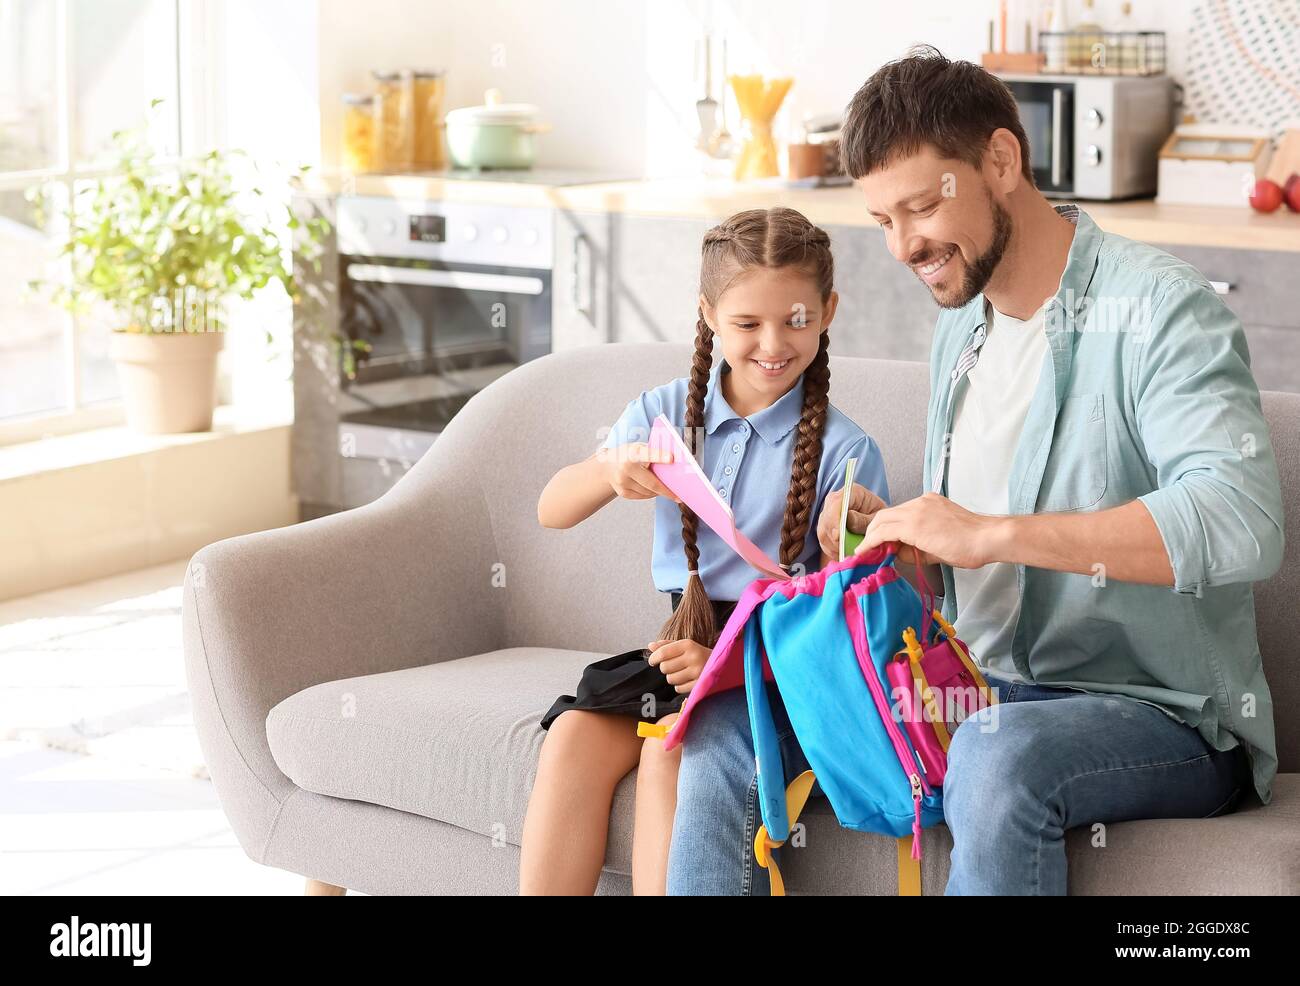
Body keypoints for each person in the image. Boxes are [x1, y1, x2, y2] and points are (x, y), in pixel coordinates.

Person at [667, 47, 1281, 896]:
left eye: (922, 206)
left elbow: (1240, 519)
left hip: (1158, 716)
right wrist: (905, 540)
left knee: (994, 751)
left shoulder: (1158, 309)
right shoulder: (963, 330)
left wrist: (990, 535)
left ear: (999, 162)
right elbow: (972, 571)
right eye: (883, 221)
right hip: (974, 687)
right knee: (731, 723)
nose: (904, 245)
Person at [520, 207, 890, 894]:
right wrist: (608, 472)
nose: (773, 343)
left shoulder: (847, 450)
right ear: (709, 315)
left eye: (796, 320)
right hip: (682, 645)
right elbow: (551, 508)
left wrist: (860, 531)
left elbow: (852, 630)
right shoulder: (664, 412)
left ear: (828, 311)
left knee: (672, 752)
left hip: (777, 667)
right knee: (572, 735)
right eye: (748, 324)